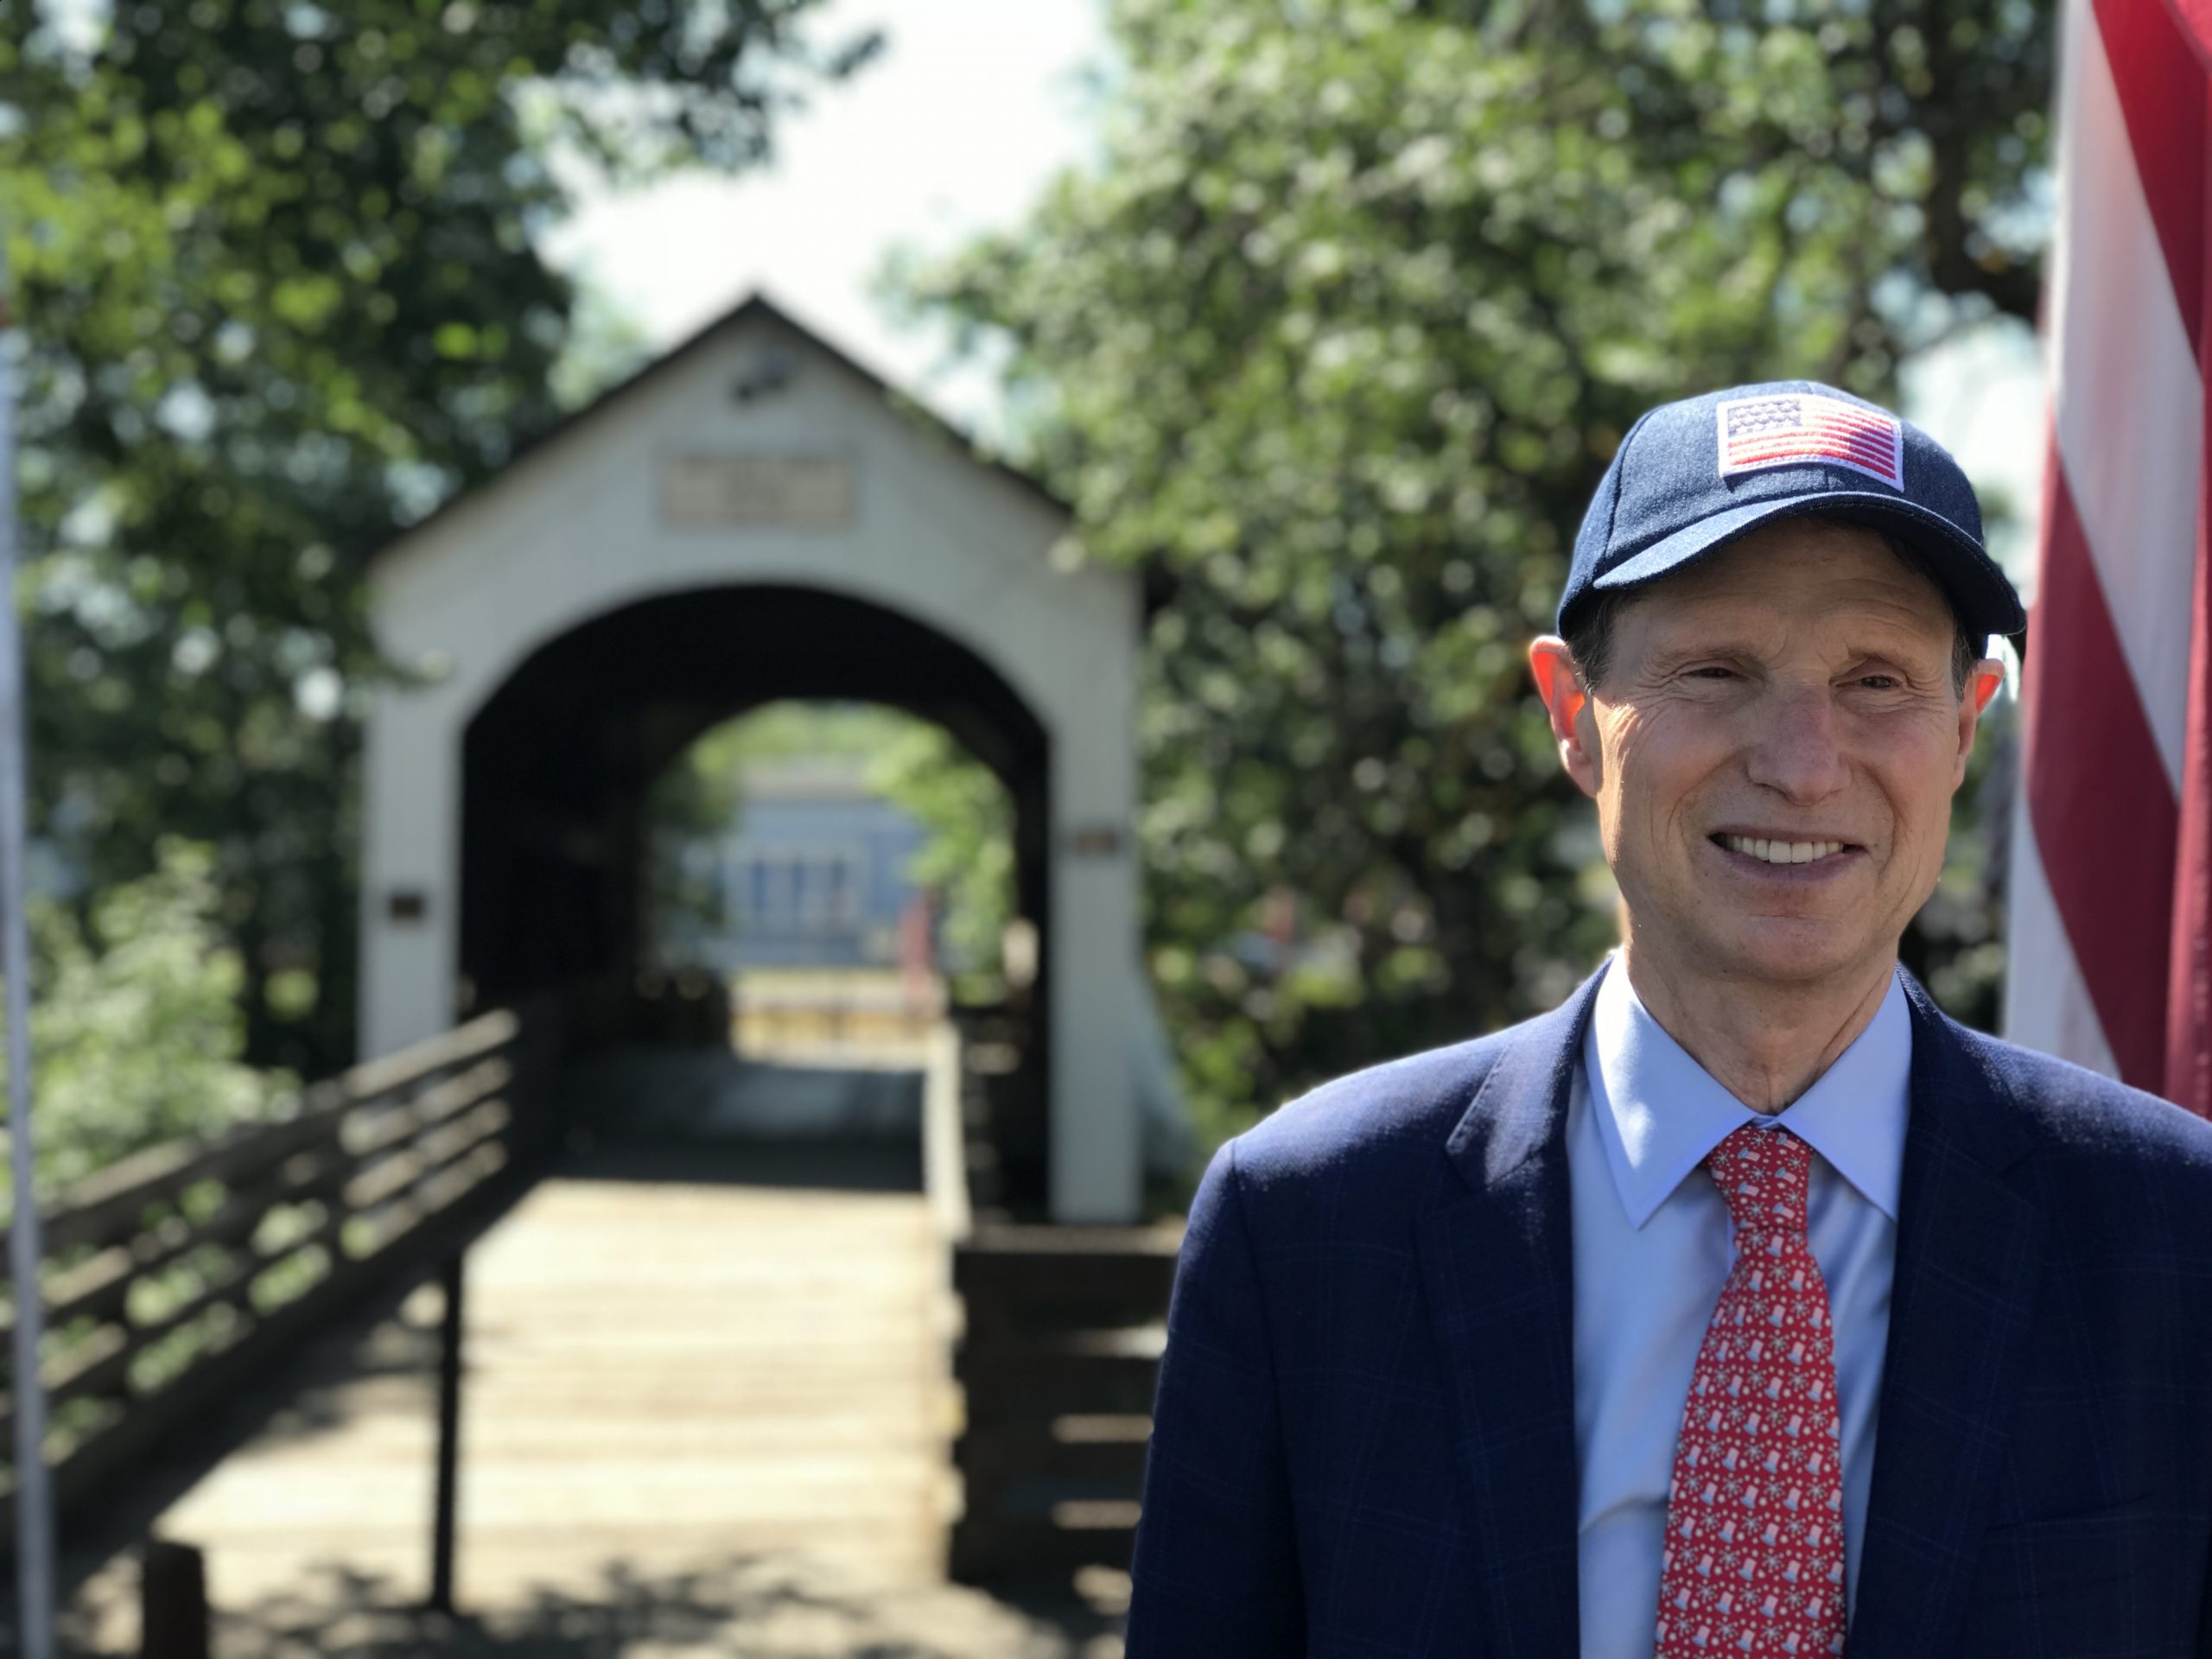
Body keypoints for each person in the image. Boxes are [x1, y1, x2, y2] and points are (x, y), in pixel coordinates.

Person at [1124, 381, 2212, 1656]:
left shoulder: (2173, 1242)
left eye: (1876, 680)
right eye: (1714, 670)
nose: (1803, 761)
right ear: (1574, 718)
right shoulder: (1309, 1227)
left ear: (1965, 730)